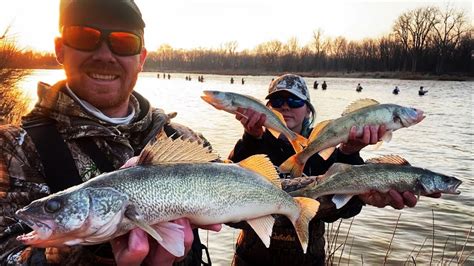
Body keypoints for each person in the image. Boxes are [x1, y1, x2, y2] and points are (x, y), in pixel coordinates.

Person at [0, 0, 220, 265]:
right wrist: (97, 249)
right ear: (60, 49)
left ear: (141, 59)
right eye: (84, 37)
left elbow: (256, 196)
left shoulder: (182, 138)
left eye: (124, 42)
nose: (105, 55)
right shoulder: (13, 146)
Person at [227, 74, 437, 266]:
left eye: (294, 101)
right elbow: (227, 204)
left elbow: (345, 209)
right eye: (277, 101)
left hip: (309, 261)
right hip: (250, 260)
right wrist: (251, 138)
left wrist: (349, 153)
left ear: (308, 109)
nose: (285, 107)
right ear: (266, 108)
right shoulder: (252, 146)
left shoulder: (323, 151)